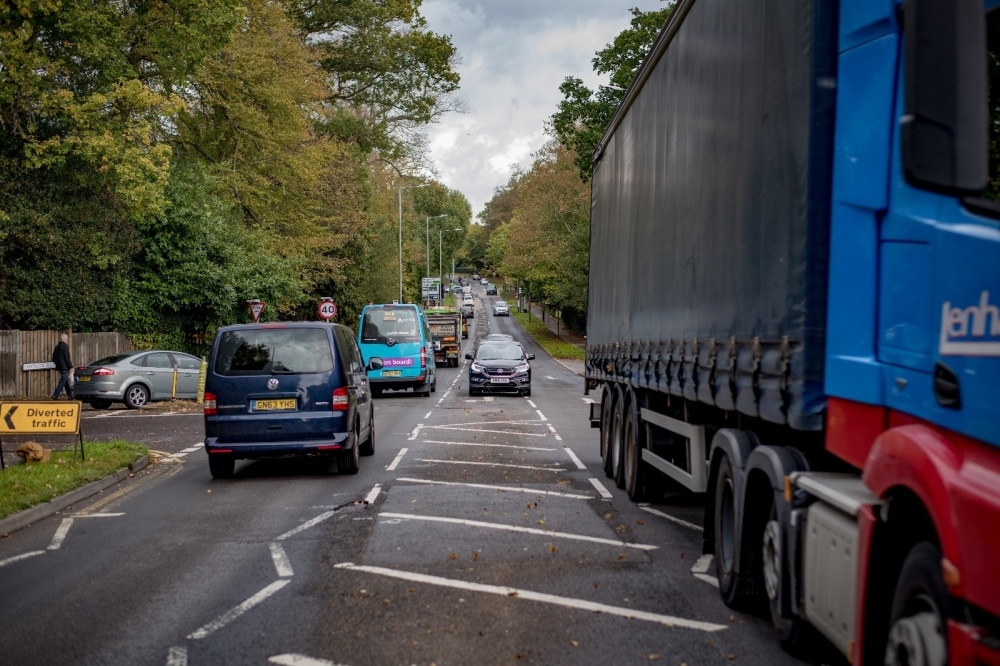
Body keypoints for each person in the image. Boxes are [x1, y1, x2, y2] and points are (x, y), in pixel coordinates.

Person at [51, 333, 74, 400]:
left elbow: (53, 358)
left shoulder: (57, 347)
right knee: (63, 380)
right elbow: (67, 358)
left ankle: (70, 395)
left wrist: (57, 364)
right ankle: (55, 395)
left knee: (65, 381)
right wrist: (71, 366)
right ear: (65, 339)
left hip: (59, 366)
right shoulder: (65, 347)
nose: (67, 340)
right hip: (64, 367)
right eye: (67, 339)